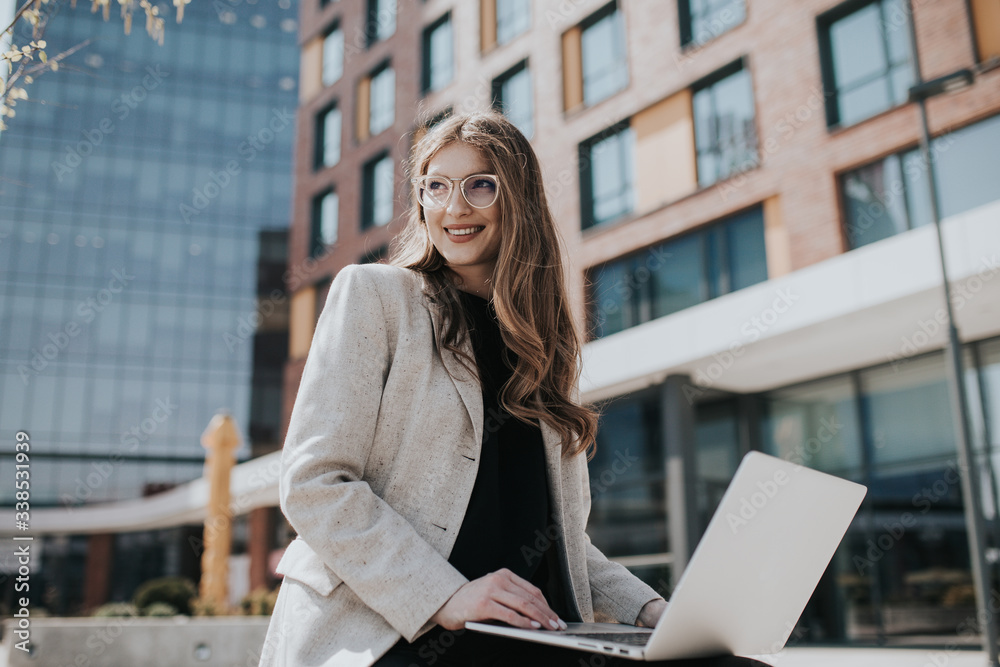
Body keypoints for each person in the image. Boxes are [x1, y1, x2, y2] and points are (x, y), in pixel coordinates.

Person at [258, 110, 773, 667]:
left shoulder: (541, 349)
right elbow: (315, 484)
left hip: (535, 634)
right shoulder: (377, 297)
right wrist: (446, 594)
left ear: (519, 199)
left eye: (480, 185)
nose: (455, 207)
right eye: (436, 187)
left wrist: (651, 612)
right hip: (397, 631)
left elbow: (565, 546)